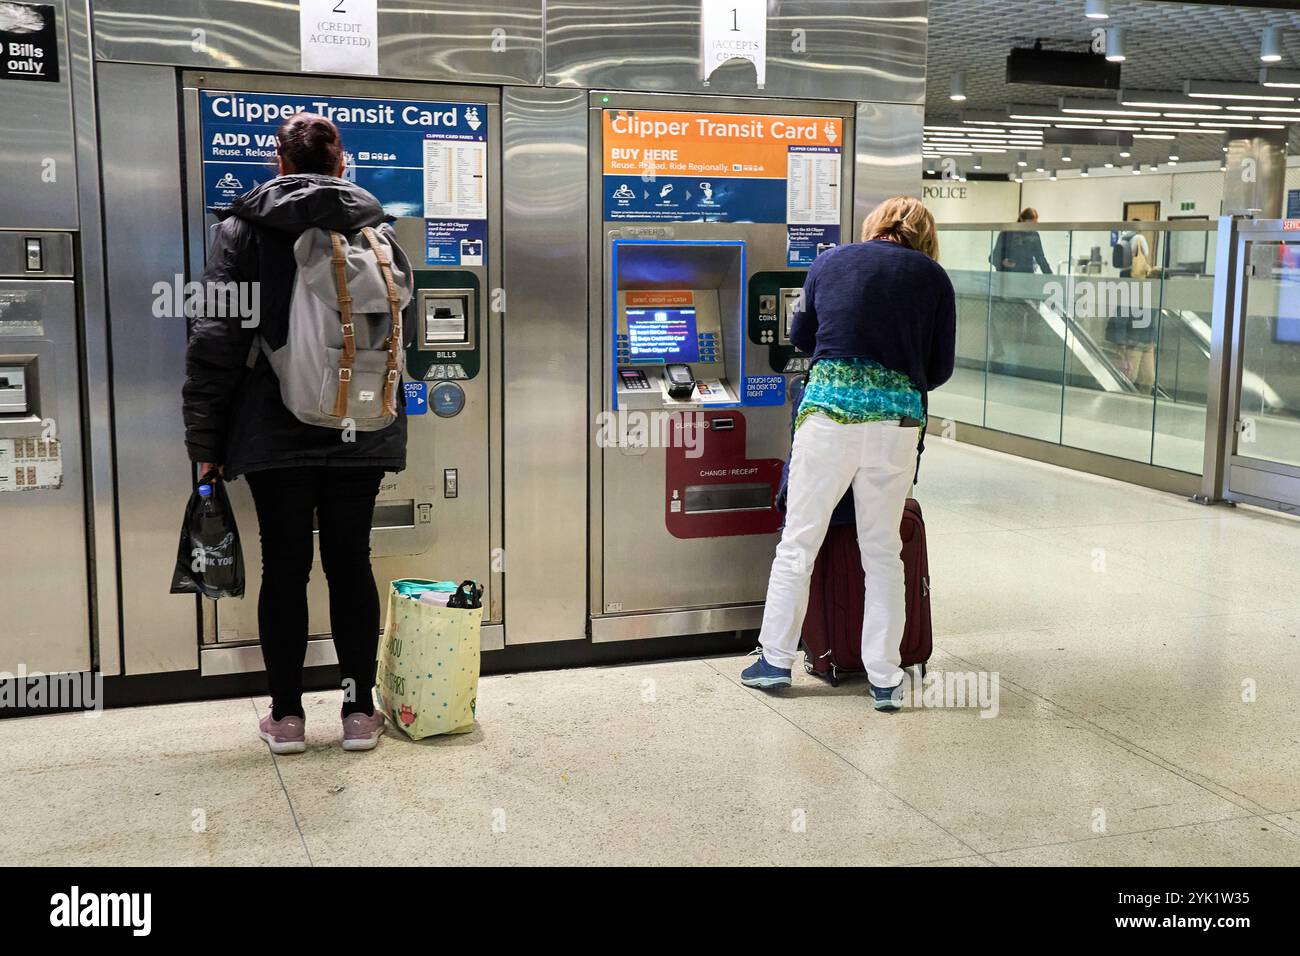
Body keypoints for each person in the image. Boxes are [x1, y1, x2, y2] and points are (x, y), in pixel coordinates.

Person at [183, 113, 413, 755]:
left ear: (279, 165)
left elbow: (215, 339)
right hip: (359, 426)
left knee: (284, 567)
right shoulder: (378, 230)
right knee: (351, 563)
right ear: (343, 166)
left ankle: (286, 717)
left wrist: (205, 444)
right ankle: (357, 711)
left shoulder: (242, 232)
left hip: (273, 430)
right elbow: (399, 334)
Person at [740, 196, 957, 711]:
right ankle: (884, 678)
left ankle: (774, 660)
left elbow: (801, 338)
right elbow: (940, 367)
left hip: (829, 417)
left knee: (800, 540)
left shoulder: (829, 261)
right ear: (925, 237)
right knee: (882, 551)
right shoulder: (934, 278)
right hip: (896, 424)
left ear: (874, 227)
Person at [991, 207, 1052, 274]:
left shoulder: (1034, 235)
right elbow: (993, 257)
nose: (1032, 228)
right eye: (1029, 225)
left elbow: (1041, 259)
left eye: (1035, 225)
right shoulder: (1007, 233)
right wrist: (1002, 263)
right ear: (1021, 220)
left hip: (1027, 276)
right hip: (1007, 276)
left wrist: (1051, 276)